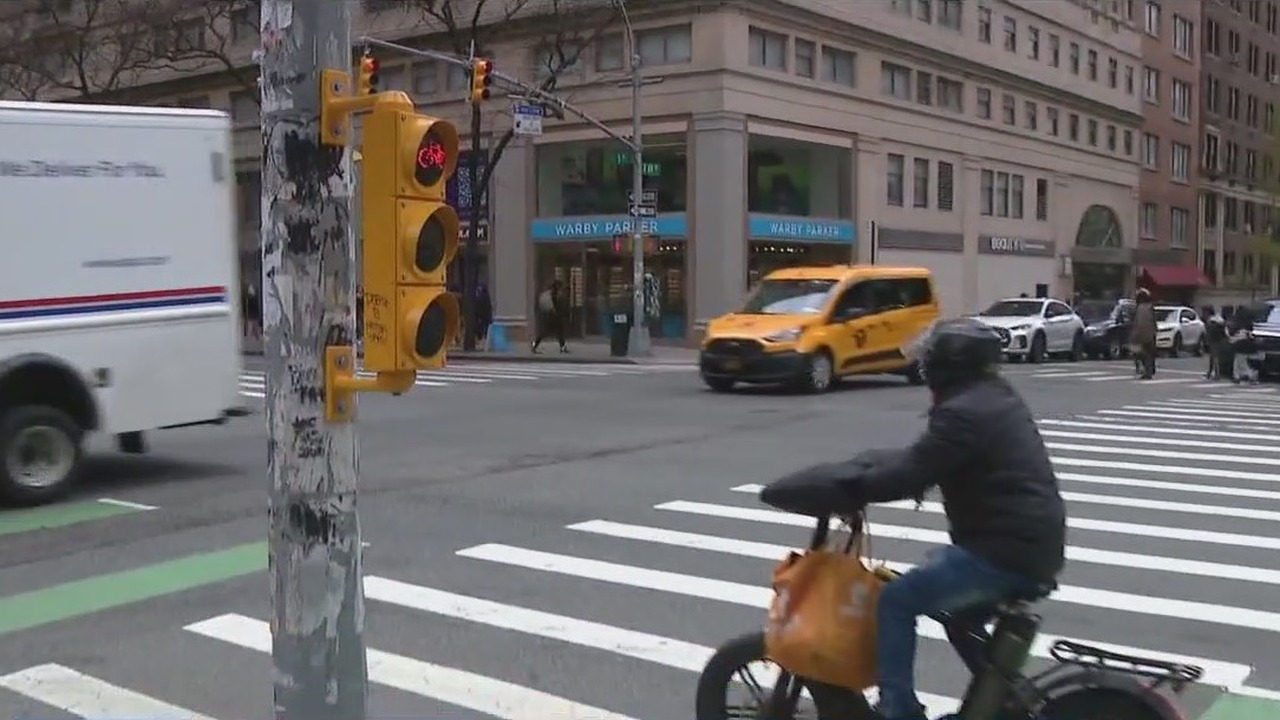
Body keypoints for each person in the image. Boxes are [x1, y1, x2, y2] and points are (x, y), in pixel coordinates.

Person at [758, 318, 1067, 720]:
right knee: (960, 618)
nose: (923, 365)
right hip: (1025, 544)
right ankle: (1002, 700)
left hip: (1003, 552)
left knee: (897, 601)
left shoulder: (964, 412)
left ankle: (897, 710)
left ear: (950, 364)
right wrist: (865, 464)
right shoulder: (989, 397)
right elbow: (926, 458)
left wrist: (849, 490)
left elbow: (911, 475)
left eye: (930, 357)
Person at [531, 279, 569, 354]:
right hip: (552, 317)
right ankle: (534, 345)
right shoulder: (552, 294)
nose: (560, 288)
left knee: (558, 332)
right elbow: (553, 305)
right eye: (559, 286)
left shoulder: (552, 294)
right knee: (546, 332)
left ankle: (562, 347)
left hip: (553, 316)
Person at [1129, 288, 1157, 379]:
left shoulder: (1137, 308)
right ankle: (1150, 370)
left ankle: (1146, 370)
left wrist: (1133, 334)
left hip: (1139, 334)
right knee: (1149, 353)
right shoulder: (1150, 307)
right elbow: (1153, 321)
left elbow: (1135, 322)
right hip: (1149, 334)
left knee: (1141, 354)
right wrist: (1155, 331)